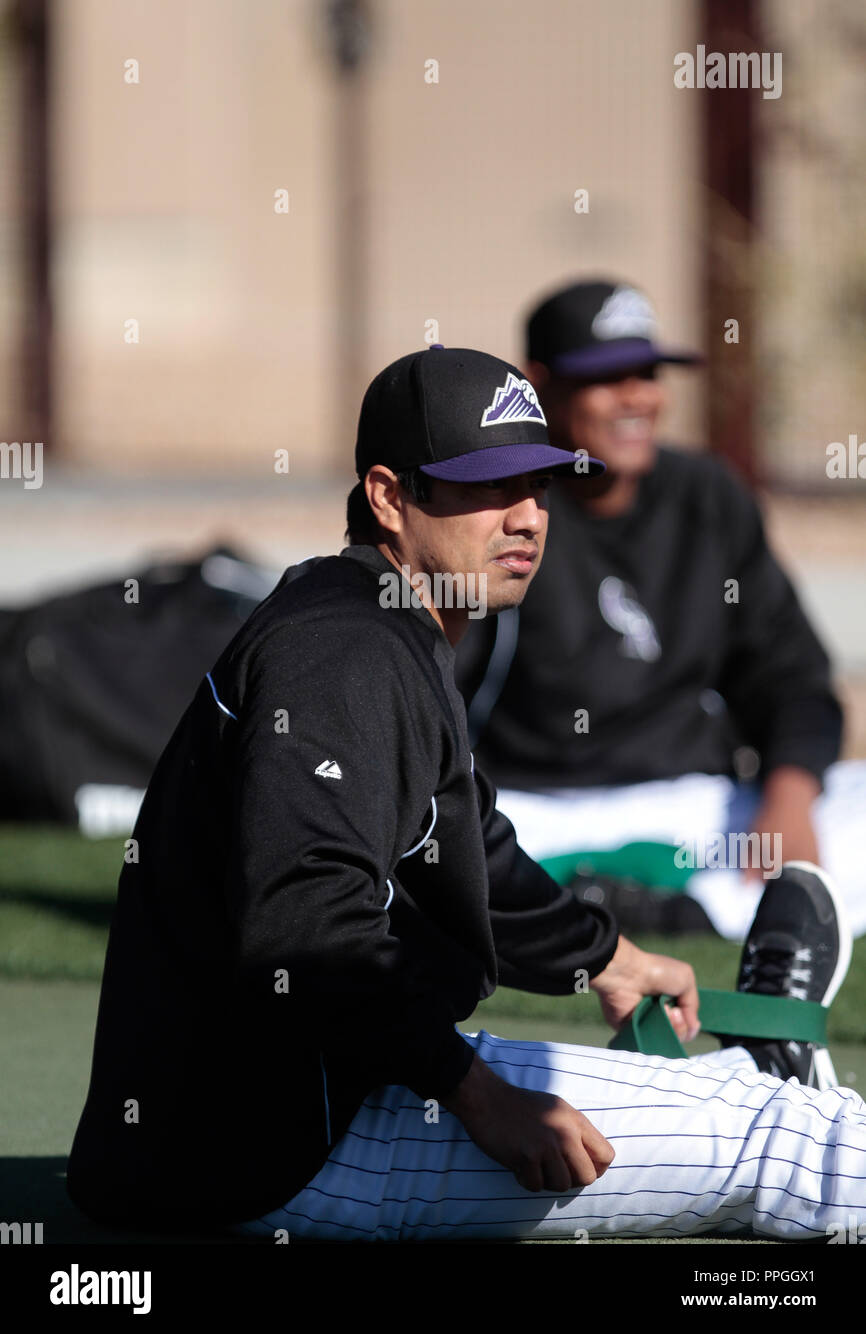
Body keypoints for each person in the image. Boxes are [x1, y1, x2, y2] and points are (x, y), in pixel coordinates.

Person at [67, 345, 864, 1242]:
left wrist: (604, 958)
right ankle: (762, 1084)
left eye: (542, 484)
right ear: (387, 495)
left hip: (284, 1114)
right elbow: (310, 932)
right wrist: (482, 1099)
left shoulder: (376, 617)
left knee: (755, 1123)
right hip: (278, 1153)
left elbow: (462, 842)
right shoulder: (344, 654)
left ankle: (754, 1068)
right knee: (794, 1141)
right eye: (489, 486)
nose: (527, 516)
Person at [455, 280, 865, 943]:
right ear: (539, 384)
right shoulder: (506, 507)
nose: (637, 396)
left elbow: (791, 674)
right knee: (423, 849)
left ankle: (640, 907)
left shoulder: (707, 496)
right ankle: (642, 905)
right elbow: (433, 690)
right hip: (534, 813)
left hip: (690, 810)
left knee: (854, 804)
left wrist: (790, 801)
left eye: (647, 372)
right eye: (605, 377)